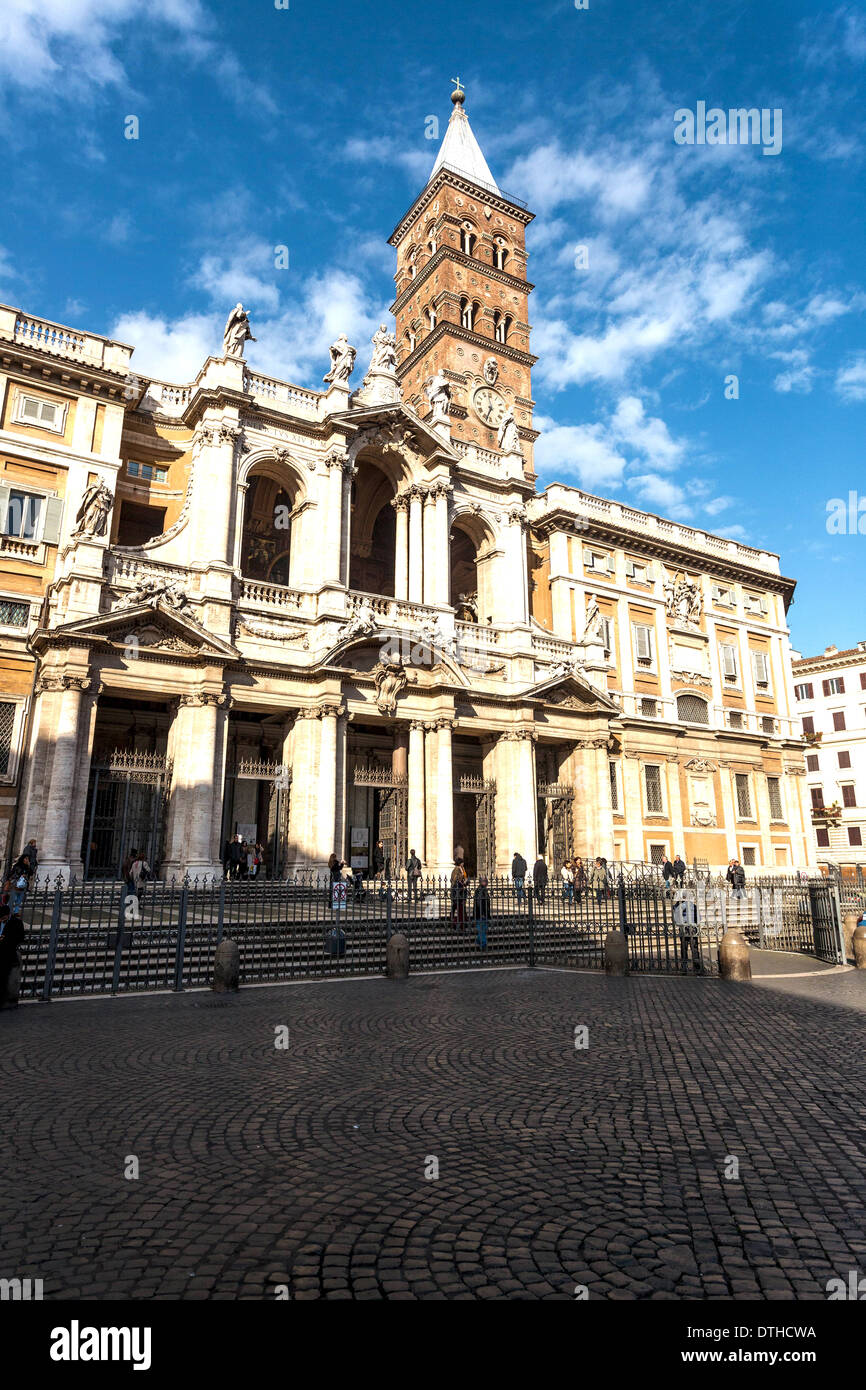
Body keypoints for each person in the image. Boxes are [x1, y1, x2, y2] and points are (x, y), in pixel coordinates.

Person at [673, 890, 703, 974]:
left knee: (684, 947)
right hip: (693, 928)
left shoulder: (678, 905)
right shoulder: (694, 906)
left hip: (683, 928)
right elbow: (699, 918)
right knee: (694, 948)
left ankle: (684, 967)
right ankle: (697, 967)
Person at [0, 912, 25, 1008]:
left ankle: (7, 1000)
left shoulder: (16, 923)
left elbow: (20, 938)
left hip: (8, 954)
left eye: (3, 917)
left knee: (5, 978)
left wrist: (5, 940)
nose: (2, 920)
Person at [473, 875, 491, 950]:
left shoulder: (484, 890)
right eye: (484, 881)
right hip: (480, 914)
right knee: (482, 930)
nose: (486, 882)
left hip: (484, 913)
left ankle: (478, 940)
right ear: (481, 882)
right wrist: (482, 913)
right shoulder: (480, 890)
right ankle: (483, 945)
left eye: (486, 881)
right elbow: (479, 903)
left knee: (483, 929)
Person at [450, 857, 468, 929]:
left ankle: (457, 922)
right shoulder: (457, 869)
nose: (463, 863)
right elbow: (455, 879)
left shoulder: (462, 869)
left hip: (460, 890)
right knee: (458, 906)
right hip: (457, 890)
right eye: (462, 862)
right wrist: (463, 883)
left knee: (457, 907)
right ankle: (457, 923)